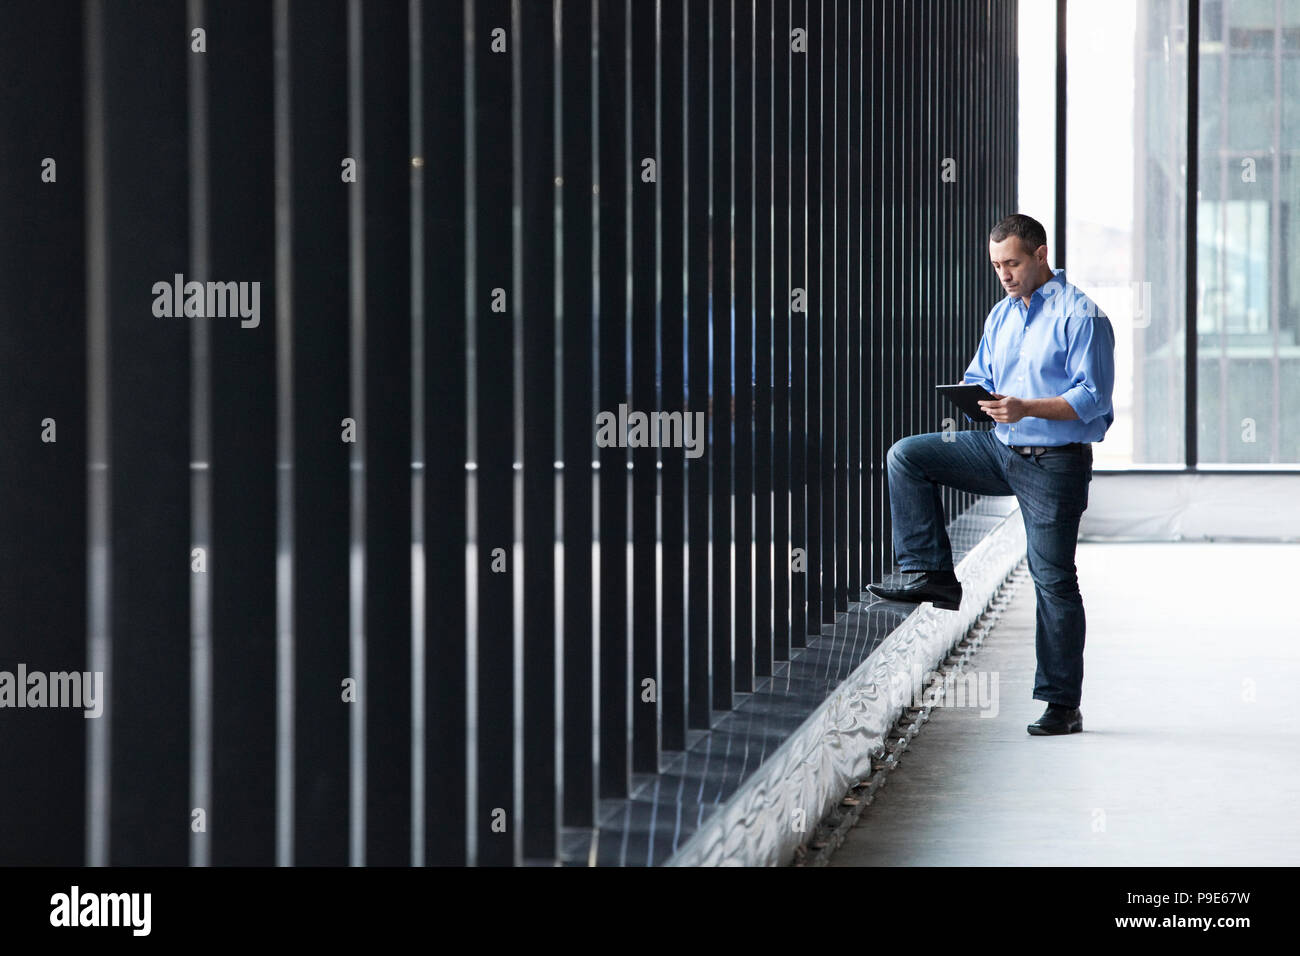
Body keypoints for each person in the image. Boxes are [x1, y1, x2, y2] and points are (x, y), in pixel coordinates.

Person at [865, 213, 1115, 737]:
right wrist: (970, 394)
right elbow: (981, 376)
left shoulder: (1082, 317)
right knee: (907, 455)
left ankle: (1062, 704)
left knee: (1052, 580)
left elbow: (1093, 402)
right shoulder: (1002, 314)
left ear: (1041, 255)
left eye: (1013, 263)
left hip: (1055, 463)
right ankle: (931, 572)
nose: (1004, 273)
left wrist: (1026, 408)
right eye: (997, 264)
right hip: (1001, 448)